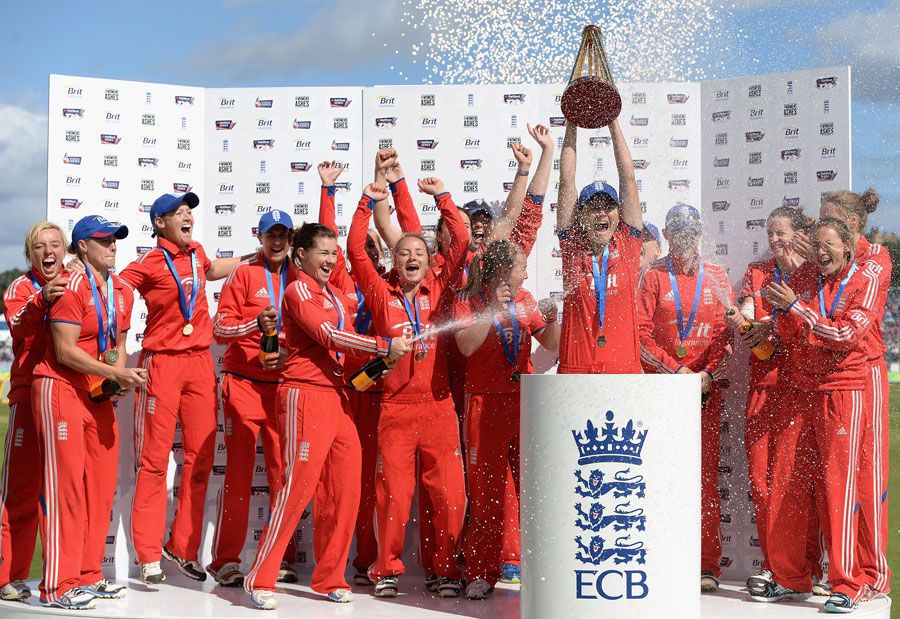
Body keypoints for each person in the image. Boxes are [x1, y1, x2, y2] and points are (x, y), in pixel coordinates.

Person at [242, 221, 409, 610]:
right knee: (297, 488)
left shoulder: (333, 293)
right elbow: (330, 337)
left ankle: (329, 576)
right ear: (301, 255)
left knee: (347, 489)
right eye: (324, 252)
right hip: (304, 395)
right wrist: (383, 344)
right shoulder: (297, 289)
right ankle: (260, 576)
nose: (331, 259)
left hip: (338, 396)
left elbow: (346, 350)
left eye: (334, 253)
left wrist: (380, 362)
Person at [347, 177, 469, 598]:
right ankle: (387, 570)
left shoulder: (440, 288)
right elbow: (355, 251)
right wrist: (367, 201)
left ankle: (446, 569)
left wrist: (443, 197)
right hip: (396, 409)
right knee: (394, 497)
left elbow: (462, 238)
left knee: (449, 496)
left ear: (430, 259)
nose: (412, 256)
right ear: (395, 262)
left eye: (419, 251)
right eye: (404, 252)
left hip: (438, 408)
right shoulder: (382, 295)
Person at [120, 192, 246, 584]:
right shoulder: (147, 263)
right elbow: (116, 289)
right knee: (155, 461)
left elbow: (210, 270)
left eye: (189, 210)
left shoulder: (196, 252)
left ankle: (183, 547)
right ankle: (147, 553)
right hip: (163, 364)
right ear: (160, 223)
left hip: (199, 364)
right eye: (179, 212)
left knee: (201, 458)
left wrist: (251, 258)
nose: (188, 215)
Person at [761, 218, 880, 613]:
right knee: (787, 483)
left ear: (848, 246)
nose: (821, 252)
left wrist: (796, 309)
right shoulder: (807, 275)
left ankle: (849, 582)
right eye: (818, 245)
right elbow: (789, 330)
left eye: (829, 245)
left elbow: (846, 335)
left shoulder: (864, 279)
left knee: (838, 488)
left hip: (843, 391)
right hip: (800, 389)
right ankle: (791, 577)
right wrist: (769, 329)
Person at [31, 215, 146, 609]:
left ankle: (88, 574)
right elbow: (64, 350)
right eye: (103, 240)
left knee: (100, 488)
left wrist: (115, 382)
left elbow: (115, 343)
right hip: (59, 387)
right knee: (66, 489)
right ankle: (57, 586)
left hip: (94, 394)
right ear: (82, 246)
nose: (113, 245)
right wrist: (114, 371)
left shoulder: (124, 291)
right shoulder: (69, 285)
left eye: (115, 239)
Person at [725, 206, 824, 596]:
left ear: (800, 234)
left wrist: (770, 327)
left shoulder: (815, 275)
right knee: (764, 486)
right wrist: (744, 324)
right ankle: (776, 568)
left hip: (801, 389)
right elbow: (750, 315)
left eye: (781, 233)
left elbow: (818, 321)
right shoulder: (759, 271)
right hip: (764, 387)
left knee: (798, 487)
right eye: (770, 233)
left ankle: (804, 570)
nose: (775, 240)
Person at [453, 240, 560, 599]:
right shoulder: (469, 299)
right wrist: (491, 311)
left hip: (523, 402)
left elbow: (551, 345)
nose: (526, 273)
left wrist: (555, 319)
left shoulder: (527, 298)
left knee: (533, 491)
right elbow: (466, 346)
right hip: (485, 403)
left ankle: (539, 568)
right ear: (501, 270)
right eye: (520, 267)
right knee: (485, 494)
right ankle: (482, 572)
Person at [637, 204, 733, 592]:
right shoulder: (654, 274)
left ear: (700, 234)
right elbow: (640, 335)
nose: (684, 238)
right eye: (676, 231)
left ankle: (707, 565)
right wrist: (674, 372)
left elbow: (728, 337)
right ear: (668, 235)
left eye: (690, 232)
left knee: (704, 482)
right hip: (663, 389)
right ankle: (662, 559)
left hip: (703, 394)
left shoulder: (717, 274)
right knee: (657, 479)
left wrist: (707, 375)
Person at [208, 210, 298, 587]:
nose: (276, 242)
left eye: (283, 235)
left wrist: (287, 352)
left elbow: (311, 328)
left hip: (282, 385)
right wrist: (255, 324)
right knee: (240, 476)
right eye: (270, 235)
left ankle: (277, 557)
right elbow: (220, 328)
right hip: (243, 383)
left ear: (291, 238)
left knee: (283, 477)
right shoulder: (243, 274)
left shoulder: (301, 274)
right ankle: (226, 560)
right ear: (259, 237)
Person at [819, 189, 891, 599]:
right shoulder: (828, 258)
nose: (820, 227)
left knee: (870, 476)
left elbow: (855, 306)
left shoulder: (875, 256)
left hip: (868, 371)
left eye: (829, 219)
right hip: (839, 374)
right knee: (843, 479)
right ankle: (848, 573)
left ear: (852, 223)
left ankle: (874, 574)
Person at [0, 223, 70, 602]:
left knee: (63, 494)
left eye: (55, 245)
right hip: (29, 398)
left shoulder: (78, 281)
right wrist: (44, 298)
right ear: (30, 254)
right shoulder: (20, 289)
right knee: (21, 492)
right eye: (40, 246)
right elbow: (20, 328)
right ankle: (8, 577)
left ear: (65, 250)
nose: (48, 251)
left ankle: (64, 577)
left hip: (69, 398)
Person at [555, 118, 643, 373]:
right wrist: (572, 123)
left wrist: (614, 121)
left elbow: (628, 178)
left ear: (618, 212)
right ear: (581, 216)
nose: (601, 213)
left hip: (622, 370)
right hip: (577, 370)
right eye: (593, 208)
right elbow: (566, 179)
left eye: (608, 206)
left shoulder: (627, 242)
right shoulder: (572, 244)